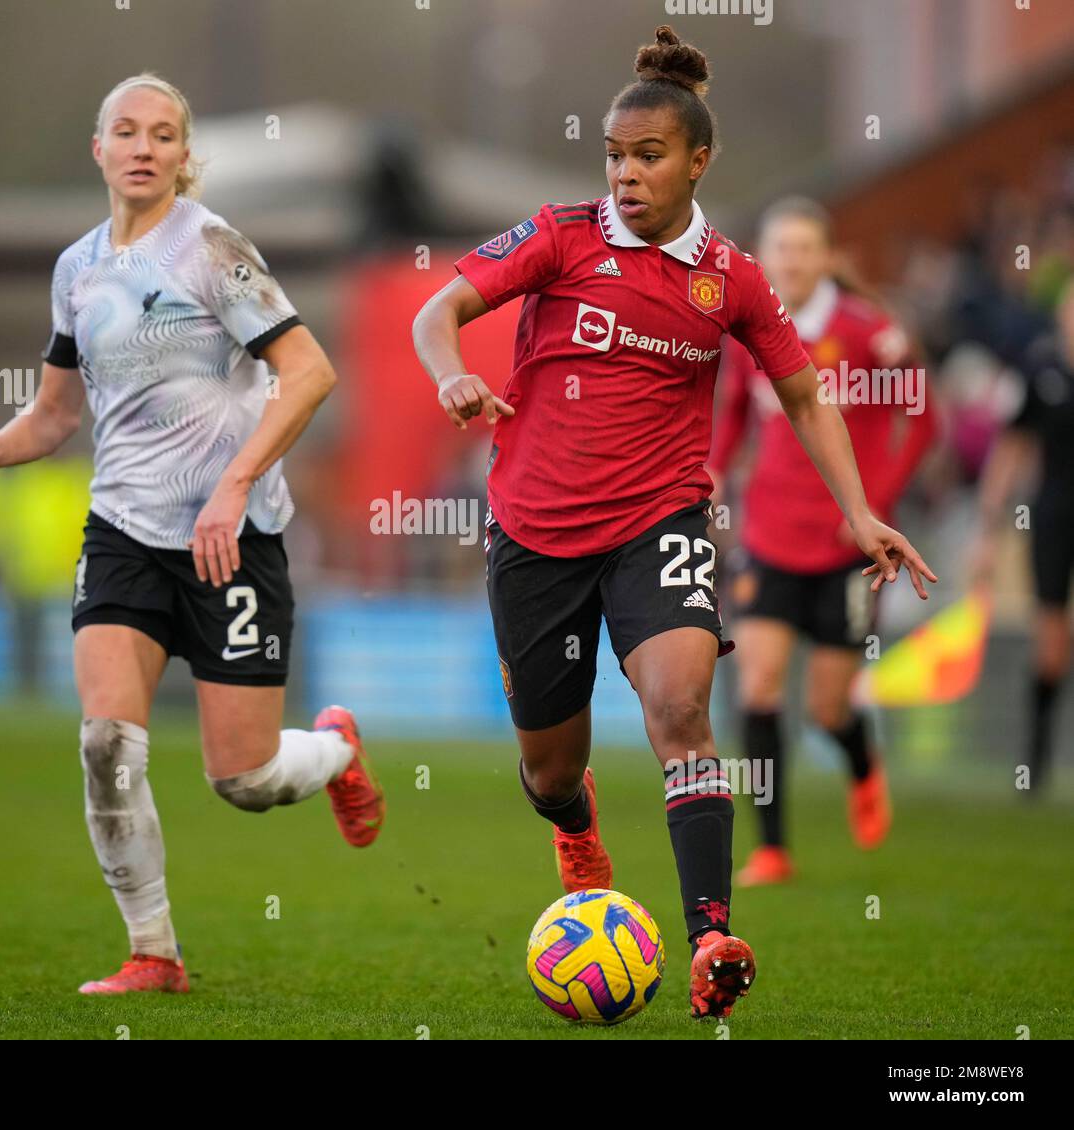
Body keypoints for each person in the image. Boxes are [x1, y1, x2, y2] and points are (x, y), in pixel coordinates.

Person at [411, 27, 936, 1019]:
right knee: (548, 767)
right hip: (532, 535)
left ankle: (710, 939)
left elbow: (806, 395)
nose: (624, 174)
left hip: (660, 522)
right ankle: (577, 832)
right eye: (613, 155)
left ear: (697, 160)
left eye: (646, 156)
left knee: (681, 709)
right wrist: (453, 375)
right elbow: (433, 313)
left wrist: (860, 511)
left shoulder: (731, 278)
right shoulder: (558, 235)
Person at [0, 73, 384, 996]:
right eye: (127, 132)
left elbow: (308, 373)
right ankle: (155, 954)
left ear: (185, 157)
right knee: (105, 743)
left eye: (164, 135)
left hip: (235, 537)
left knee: (245, 779)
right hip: (123, 533)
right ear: (98, 149)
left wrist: (232, 485)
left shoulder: (213, 247)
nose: (144, 147)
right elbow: (58, 415)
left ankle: (336, 746)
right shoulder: (77, 269)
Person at [707, 197, 937, 886]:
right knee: (758, 686)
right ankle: (773, 849)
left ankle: (863, 767)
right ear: (764, 257)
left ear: (829, 257)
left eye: (806, 249)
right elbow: (735, 414)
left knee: (827, 709)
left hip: (843, 548)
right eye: (781, 249)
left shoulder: (872, 334)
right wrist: (713, 471)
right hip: (768, 538)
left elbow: (923, 422)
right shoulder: (750, 332)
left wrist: (872, 504)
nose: (792, 261)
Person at [970, 277, 1074, 796]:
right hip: (1054, 517)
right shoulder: (1041, 371)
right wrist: (989, 526)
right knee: (1051, 644)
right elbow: (1011, 449)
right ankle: (1034, 767)